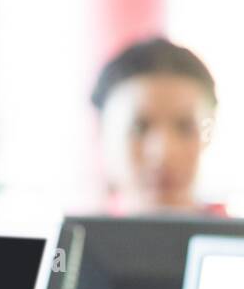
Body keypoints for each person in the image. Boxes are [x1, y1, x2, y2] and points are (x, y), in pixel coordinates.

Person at [91, 36, 225, 216]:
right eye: (139, 128)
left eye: (185, 127)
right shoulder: (63, 241)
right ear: (101, 132)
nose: (163, 153)